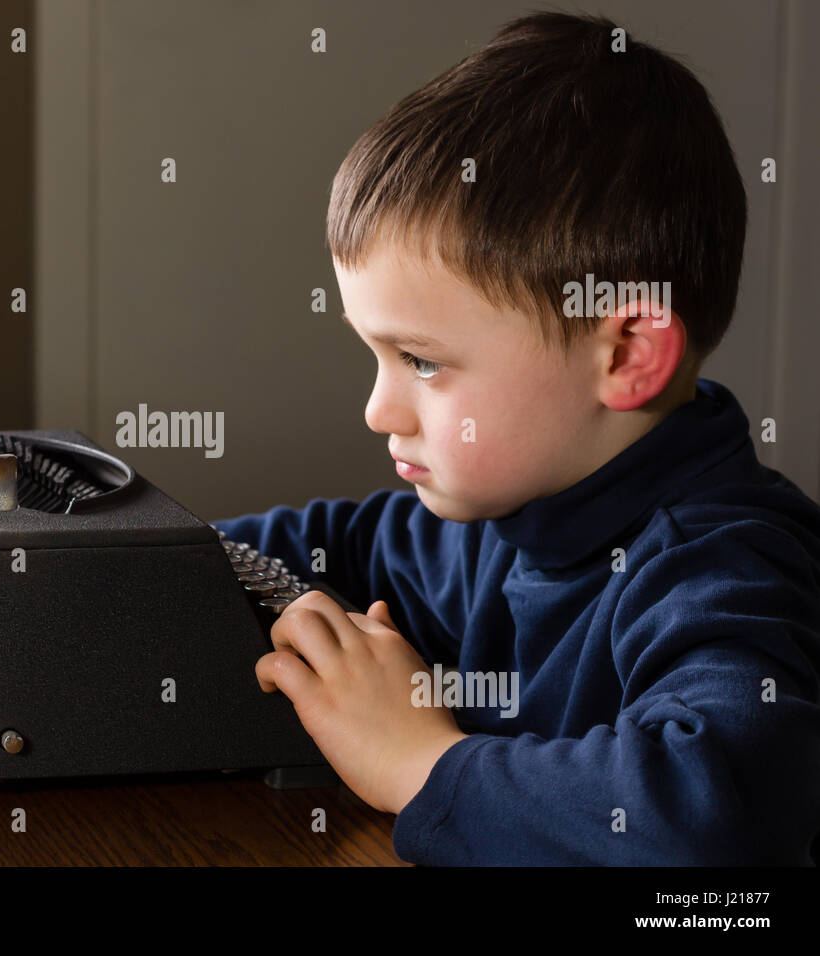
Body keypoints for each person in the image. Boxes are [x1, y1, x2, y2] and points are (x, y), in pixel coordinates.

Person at [211, 11, 820, 865]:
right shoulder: (496, 521)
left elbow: (707, 818)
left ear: (628, 355)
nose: (378, 410)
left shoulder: (725, 570)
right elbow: (279, 556)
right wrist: (117, 563)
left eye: (420, 360)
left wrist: (418, 763)